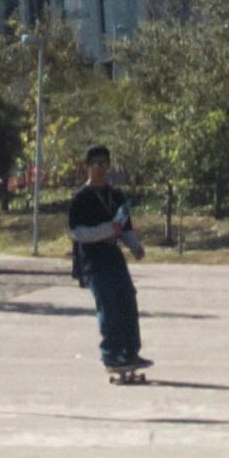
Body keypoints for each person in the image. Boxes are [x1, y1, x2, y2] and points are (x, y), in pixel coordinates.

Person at [67, 146, 147, 373]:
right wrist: (106, 230)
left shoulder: (115, 195)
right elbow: (77, 232)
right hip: (93, 260)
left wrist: (135, 246)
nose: (100, 169)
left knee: (127, 302)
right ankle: (111, 355)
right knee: (108, 306)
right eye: (95, 164)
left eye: (104, 164)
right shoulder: (81, 198)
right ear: (87, 167)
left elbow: (124, 227)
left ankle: (131, 352)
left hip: (114, 257)